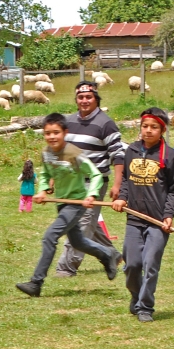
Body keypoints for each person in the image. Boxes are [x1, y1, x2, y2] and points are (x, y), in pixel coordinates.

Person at [15, 113, 121, 297]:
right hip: (62, 203)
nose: (52, 137)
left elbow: (95, 174)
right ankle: (107, 255)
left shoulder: (74, 153)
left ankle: (36, 282)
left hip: (76, 203)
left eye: (56, 132)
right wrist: (42, 189)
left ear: (65, 132)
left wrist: (91, 194)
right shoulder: (47, 154)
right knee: (77, 241)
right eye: (48, 133)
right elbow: (47, 174)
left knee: (50, 236)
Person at [112, 107, 174, 323]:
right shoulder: (132, 150)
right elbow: (125, 180)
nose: (148, 131)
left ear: (162, 130)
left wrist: (168, 214)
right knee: (132, 265)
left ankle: (145, 307)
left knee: (150, 264)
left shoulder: (169, 155)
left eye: (154, 127)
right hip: (134, 219)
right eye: (145, 127)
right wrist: (122, 198)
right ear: (140, 128)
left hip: (158, 221)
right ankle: (136, 296)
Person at [55, 82, 124, 278]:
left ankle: (66, 267)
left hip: (94, 182)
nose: (84, 101)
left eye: (88, 97)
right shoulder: (69, 122)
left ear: (96, 98)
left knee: (82, 222)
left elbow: (118, 156)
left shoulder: (106, 124)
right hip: (71, 182)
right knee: (85, 223)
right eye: (80, 97)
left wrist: (117, 184)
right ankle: (112, 255)